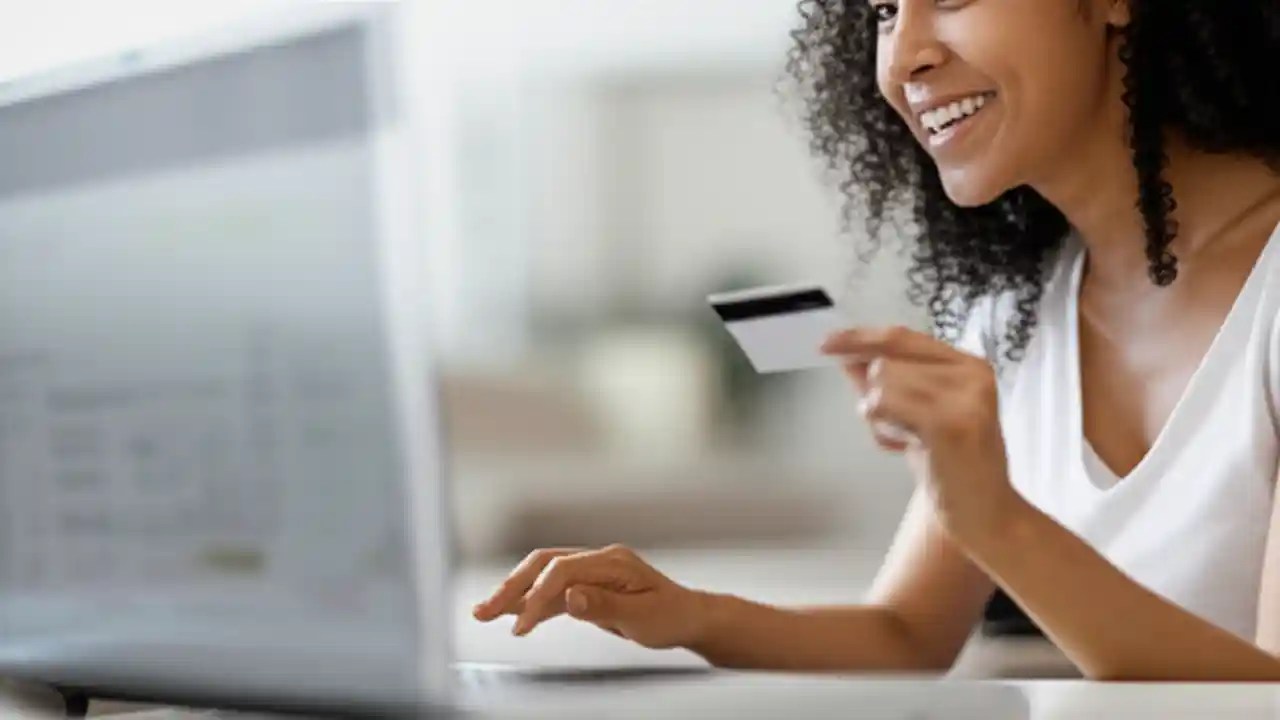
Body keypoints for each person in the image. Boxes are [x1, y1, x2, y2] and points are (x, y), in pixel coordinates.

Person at [473, 0, 1280, 681]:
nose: (907, 57)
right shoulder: (1014, 314)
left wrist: (994, 518)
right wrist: (686, 614)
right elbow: (905, 634)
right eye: (886, 10)